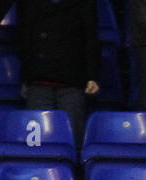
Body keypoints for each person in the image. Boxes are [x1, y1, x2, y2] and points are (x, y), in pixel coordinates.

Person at [15, 0, 102, 143]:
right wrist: (26, 75)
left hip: (72, 80)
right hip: (39, 80)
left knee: (71, 140)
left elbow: (90, 35)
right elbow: (24, 35)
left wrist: (93, 75)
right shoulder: (30, 4)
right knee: (37, 143)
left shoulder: (83, 4)